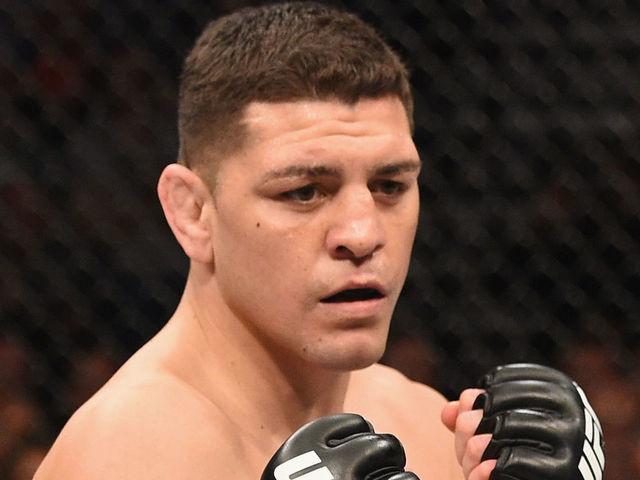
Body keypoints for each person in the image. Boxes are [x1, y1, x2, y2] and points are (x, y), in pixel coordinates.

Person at [33, 3, 601, 480]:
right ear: (193, 213)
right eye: (304, 191)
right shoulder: (126, 455)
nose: (363, 234)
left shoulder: (425, 423)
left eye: (389, 185)